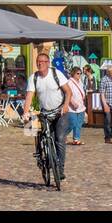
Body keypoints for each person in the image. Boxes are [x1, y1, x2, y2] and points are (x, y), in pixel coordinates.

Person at [25, 51, 70, 186]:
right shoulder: (33, 78)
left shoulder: (56, 74)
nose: (40, 64)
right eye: (38, 62)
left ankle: (60, 170)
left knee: (60, 139)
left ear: (48, 63)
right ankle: (40, 154)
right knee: (33, 129)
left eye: (43, 62)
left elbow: (68, 91)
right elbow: (29, 96)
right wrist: (25, 112)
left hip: (60, 111)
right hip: (44, 112)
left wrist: (66, 106)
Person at [65, 66, 87, 145]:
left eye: (80, 73)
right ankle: (62, 135)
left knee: (79, 124)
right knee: (72, 123)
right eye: (78, 73)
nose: (79, 75)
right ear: (73, 74)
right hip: (72, 107)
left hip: (81, 106)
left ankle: (76, 139)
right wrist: (72, 102)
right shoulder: (69, 82)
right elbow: (68, 94)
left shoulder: (80, 82)